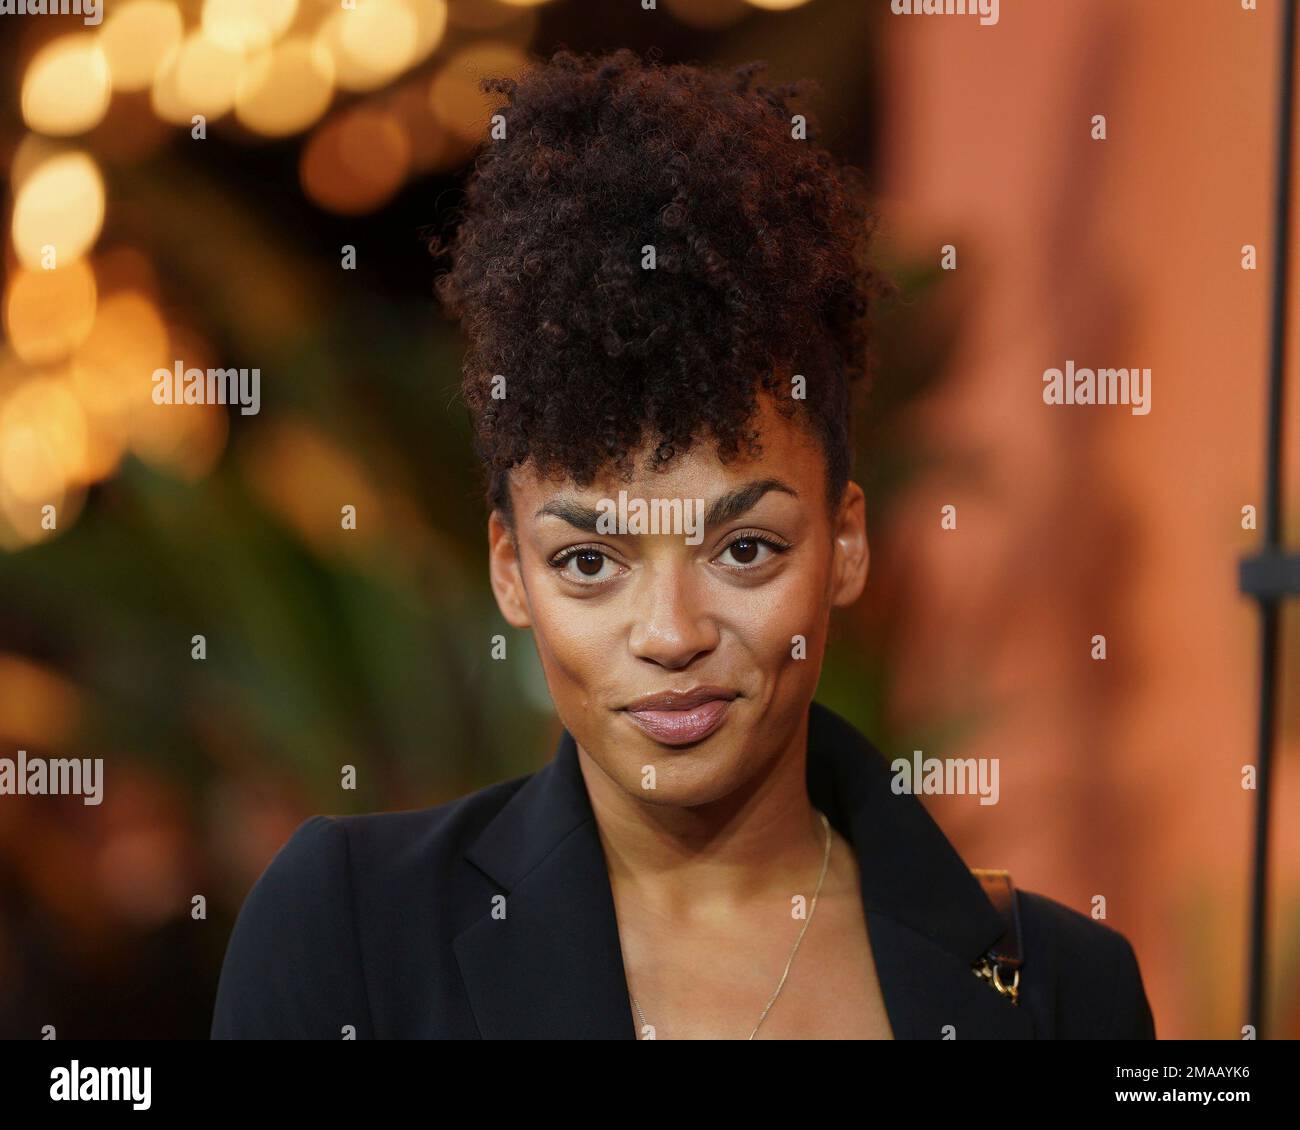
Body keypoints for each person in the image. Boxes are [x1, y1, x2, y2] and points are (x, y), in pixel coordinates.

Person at [211, 48, 1155, 1040]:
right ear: (509, 571)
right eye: (589, 561)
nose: (670, 634)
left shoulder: (1058, 989)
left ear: (844, 543)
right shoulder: (353, 928)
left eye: (742, 549)